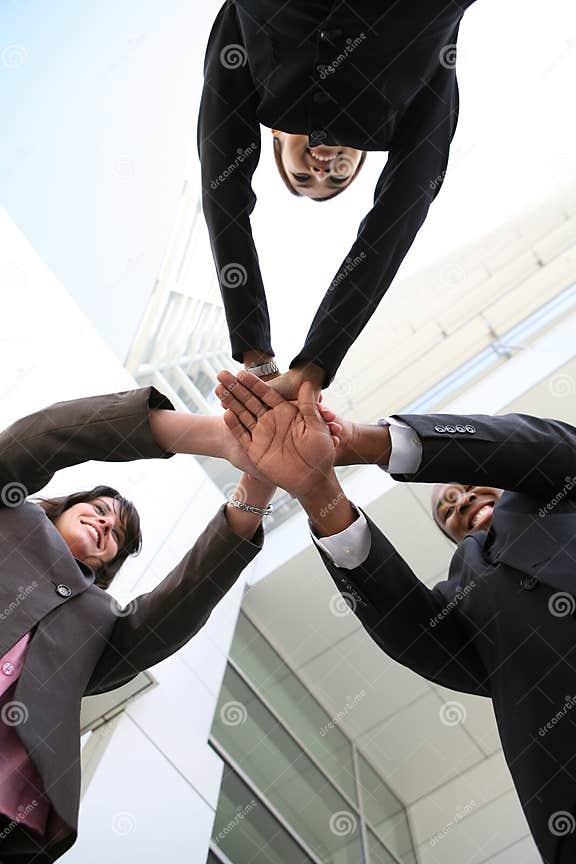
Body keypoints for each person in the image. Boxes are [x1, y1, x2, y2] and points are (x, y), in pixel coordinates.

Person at [216, 368, 576, 864]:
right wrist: (318, 489)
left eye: (468, 487)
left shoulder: (560, 491)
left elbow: (540, 449)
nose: (462, 500)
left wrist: (360, 443)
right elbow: (410, 630)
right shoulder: (469, 604)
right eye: (448, 509)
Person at [0, 385, 276, 862]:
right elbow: (39, 439)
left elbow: (177, 610)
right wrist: (211, 438)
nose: (107, 525)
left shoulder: (99, 622)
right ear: (62, 506)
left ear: (108, 566)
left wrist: (256, 485)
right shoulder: (9, 513)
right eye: (99, 509)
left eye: (117, 536)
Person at [199, 0, 477, 399]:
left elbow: (222, 184)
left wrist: (256, 355)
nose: (322, 171)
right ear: (362, 156)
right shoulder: (407, 104)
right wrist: (316, 362)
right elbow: (404, 206)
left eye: (301, 176)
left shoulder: (257, 80)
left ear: (275, 136)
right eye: (337, 178)